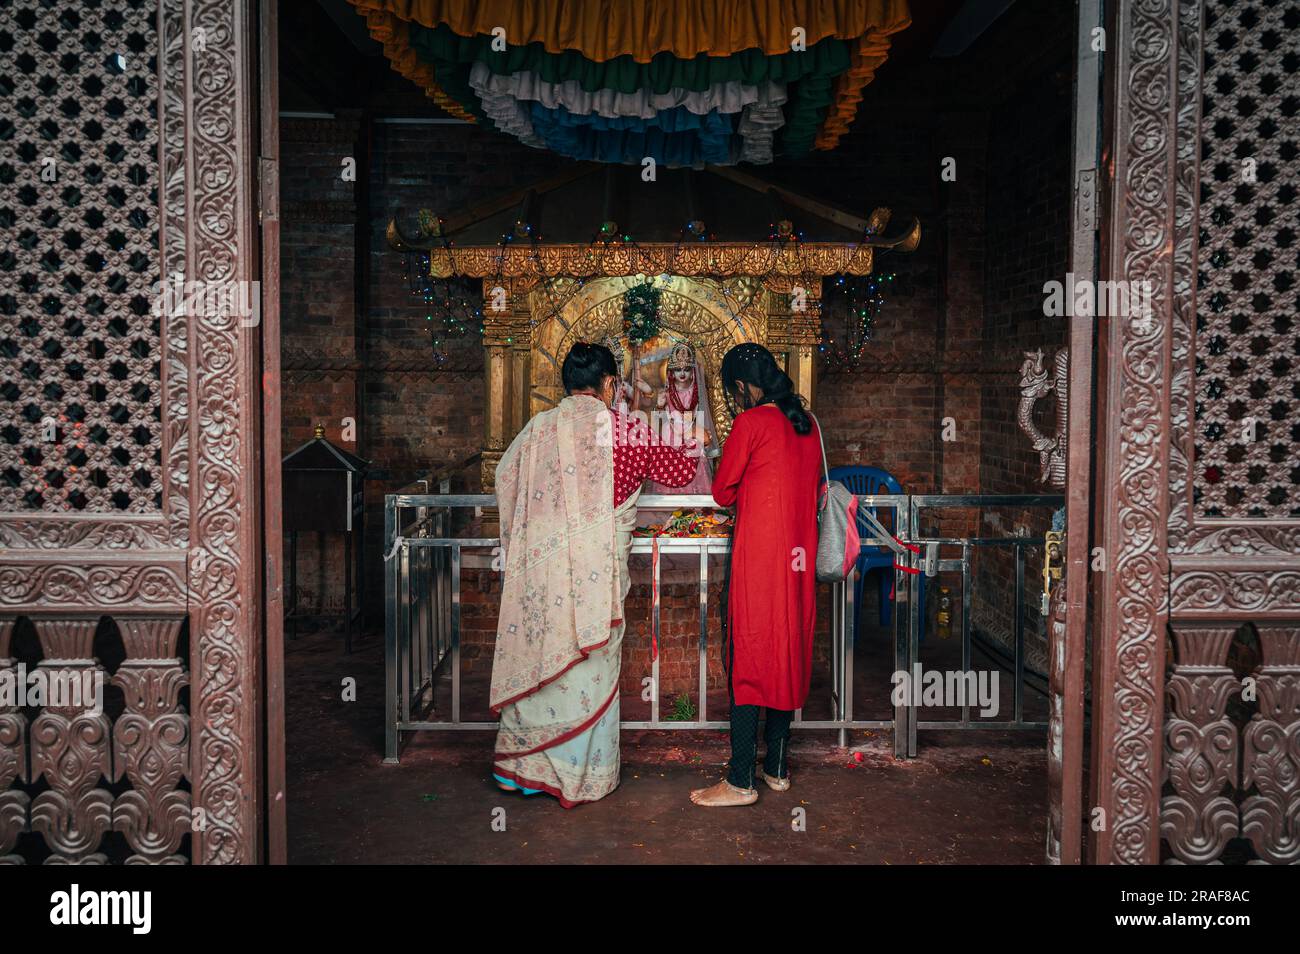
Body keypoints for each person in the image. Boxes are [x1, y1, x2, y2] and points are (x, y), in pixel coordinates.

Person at [491, 341, 698, 807]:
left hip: (540, 582)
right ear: (609, 384)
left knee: (540, 659)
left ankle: (521, 772)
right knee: (586, 671)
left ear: (568, 384)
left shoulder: (537, 430)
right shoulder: (626, 432)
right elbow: (684, 468)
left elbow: (504, 477)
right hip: (594, 582)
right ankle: (580, 777)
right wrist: (672, 414)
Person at [689, 343, 822, 807]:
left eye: (734, 390)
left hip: (760, 562)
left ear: (744, 387)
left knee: (749, 656)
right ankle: (778, 768)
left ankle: (740, 779)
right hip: (798, 560)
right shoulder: (810, 425)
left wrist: (738, 473)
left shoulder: (750, 423)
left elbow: (723, 491)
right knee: (786, 651)